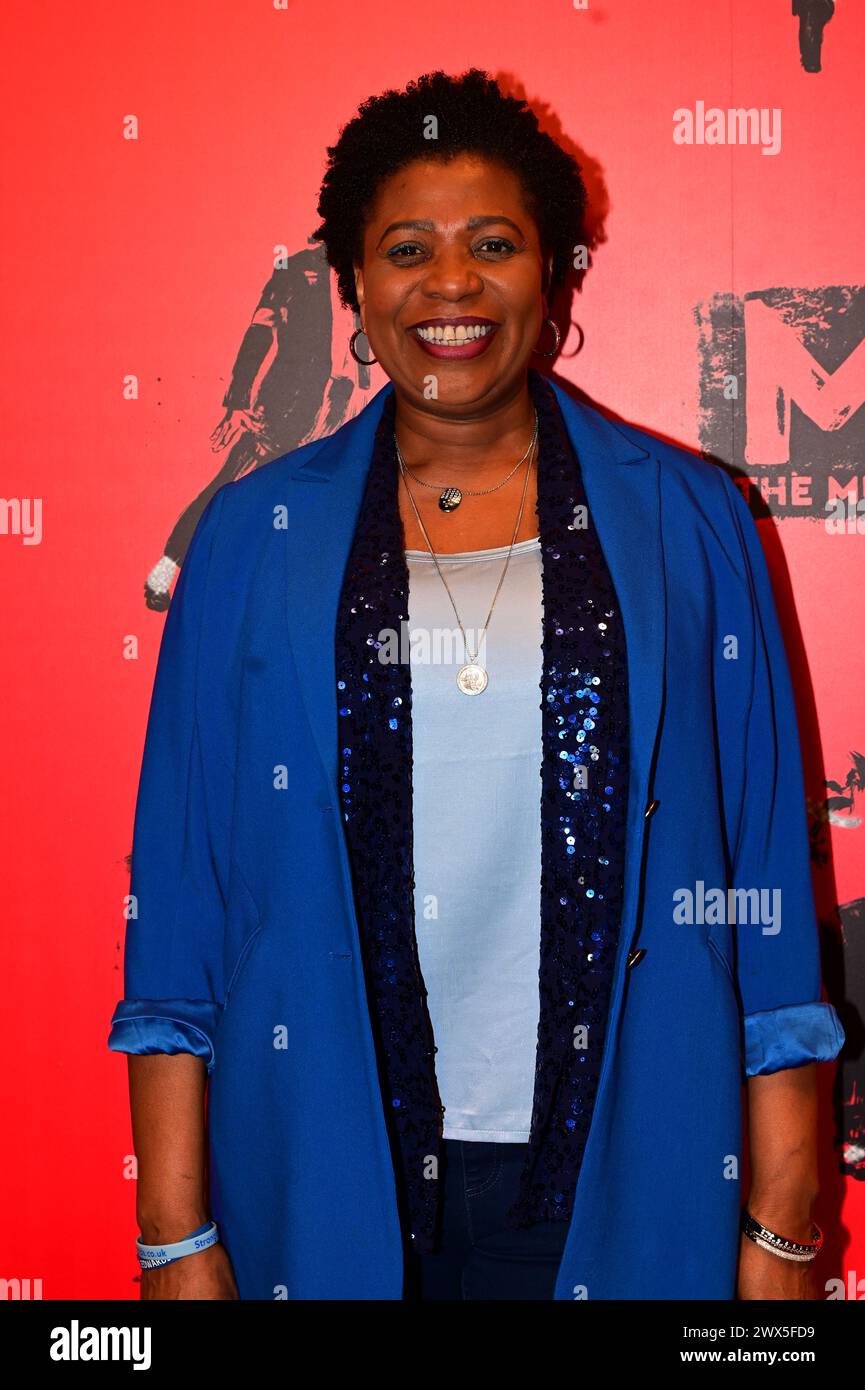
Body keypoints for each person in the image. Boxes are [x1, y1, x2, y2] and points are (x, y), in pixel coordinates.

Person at [108, 68, 845, 1301]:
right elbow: (179, 901)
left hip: (638, 1173)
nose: (450, 284)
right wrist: (177, 1239)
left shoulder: (689, 521)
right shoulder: (249, 541)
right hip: (319, 1183)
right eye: (406, 250)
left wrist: (779, 1227)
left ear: (554, 274)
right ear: (351, 286)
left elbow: (757, 885)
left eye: (493, 244)